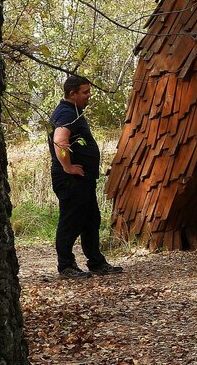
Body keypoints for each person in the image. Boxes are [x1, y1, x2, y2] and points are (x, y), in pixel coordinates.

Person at [48, 75, 123, 278]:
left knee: (91, 220)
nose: (89, 96)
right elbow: (60, 141)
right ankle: (66, 266)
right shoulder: (65, 113)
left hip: (83, 179)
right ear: (72, 93)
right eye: (85, 92)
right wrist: (68, 167)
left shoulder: (74, 112)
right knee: (71, 220)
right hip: (71, 179)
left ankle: (96, 262)